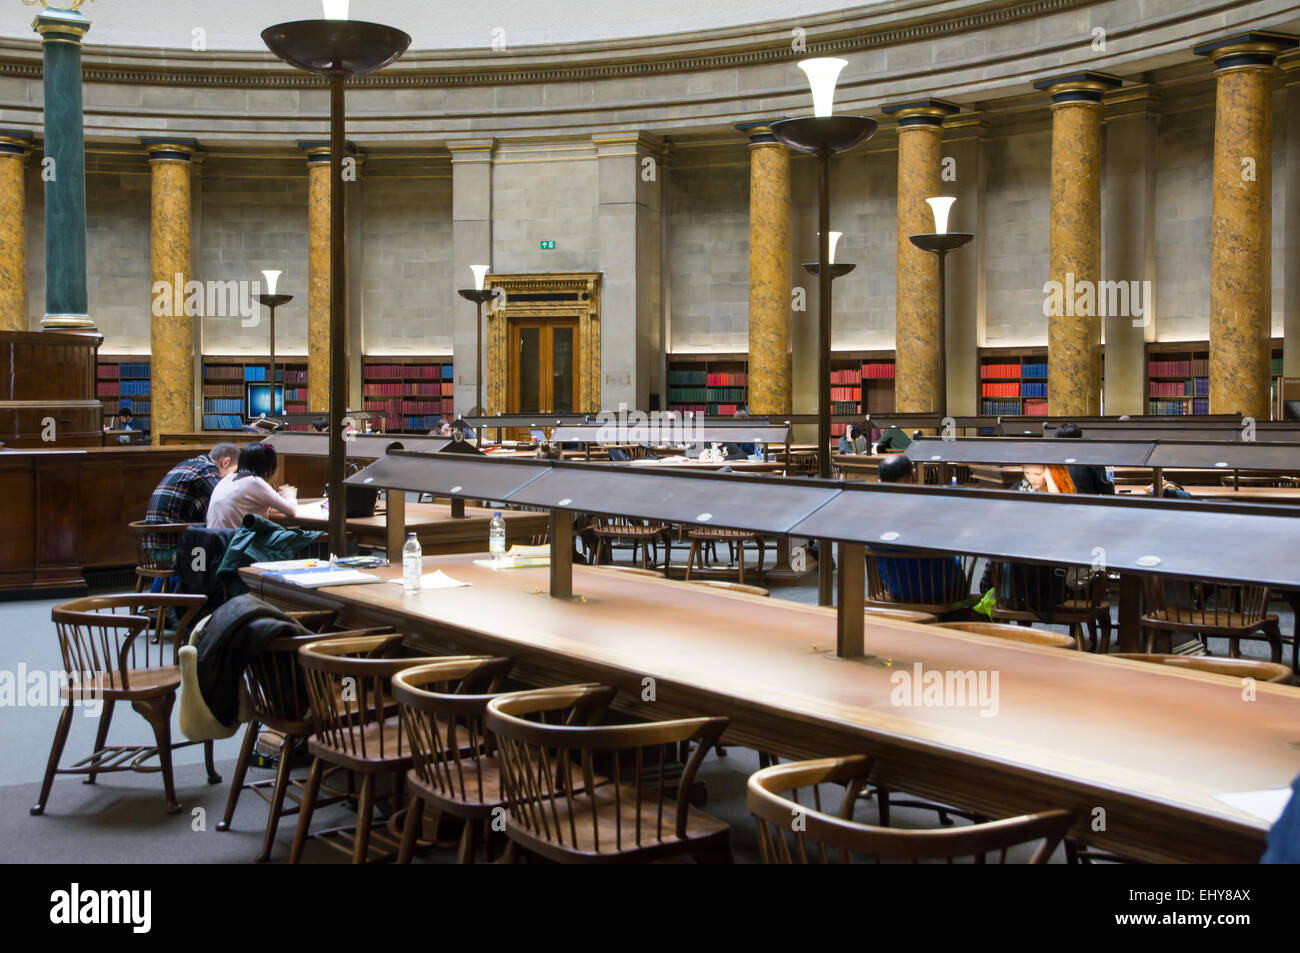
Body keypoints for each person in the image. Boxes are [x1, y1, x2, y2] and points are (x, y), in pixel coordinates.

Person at [142, 443, 242, 593]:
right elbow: (225, 499)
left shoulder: (188, 464)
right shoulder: (208, 471)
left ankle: (158, 602)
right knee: (219, 555)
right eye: (233, 472)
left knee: (204, 544)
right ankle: (197, 601)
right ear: (225, 462)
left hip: (153, 546)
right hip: (172, 550)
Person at [872, 455, 967, 603]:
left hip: (898, 591)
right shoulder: (931, 508)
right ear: (914, 476)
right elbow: (953, 540)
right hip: (941, 591)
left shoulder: (871, 514)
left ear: (879, 482)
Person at [206, 442, 298, 529]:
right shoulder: (254, 482)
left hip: (216, 540)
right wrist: (289, 492)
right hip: (237, 542)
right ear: (266, 466)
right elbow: (290, 510)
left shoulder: (227, 478)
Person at [1055, 422, 1115, 494]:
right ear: (1080, 441)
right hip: (1086, 504)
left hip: (1057, 504)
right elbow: (1106, 490)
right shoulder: (1092, 462)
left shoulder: (1051, 462)